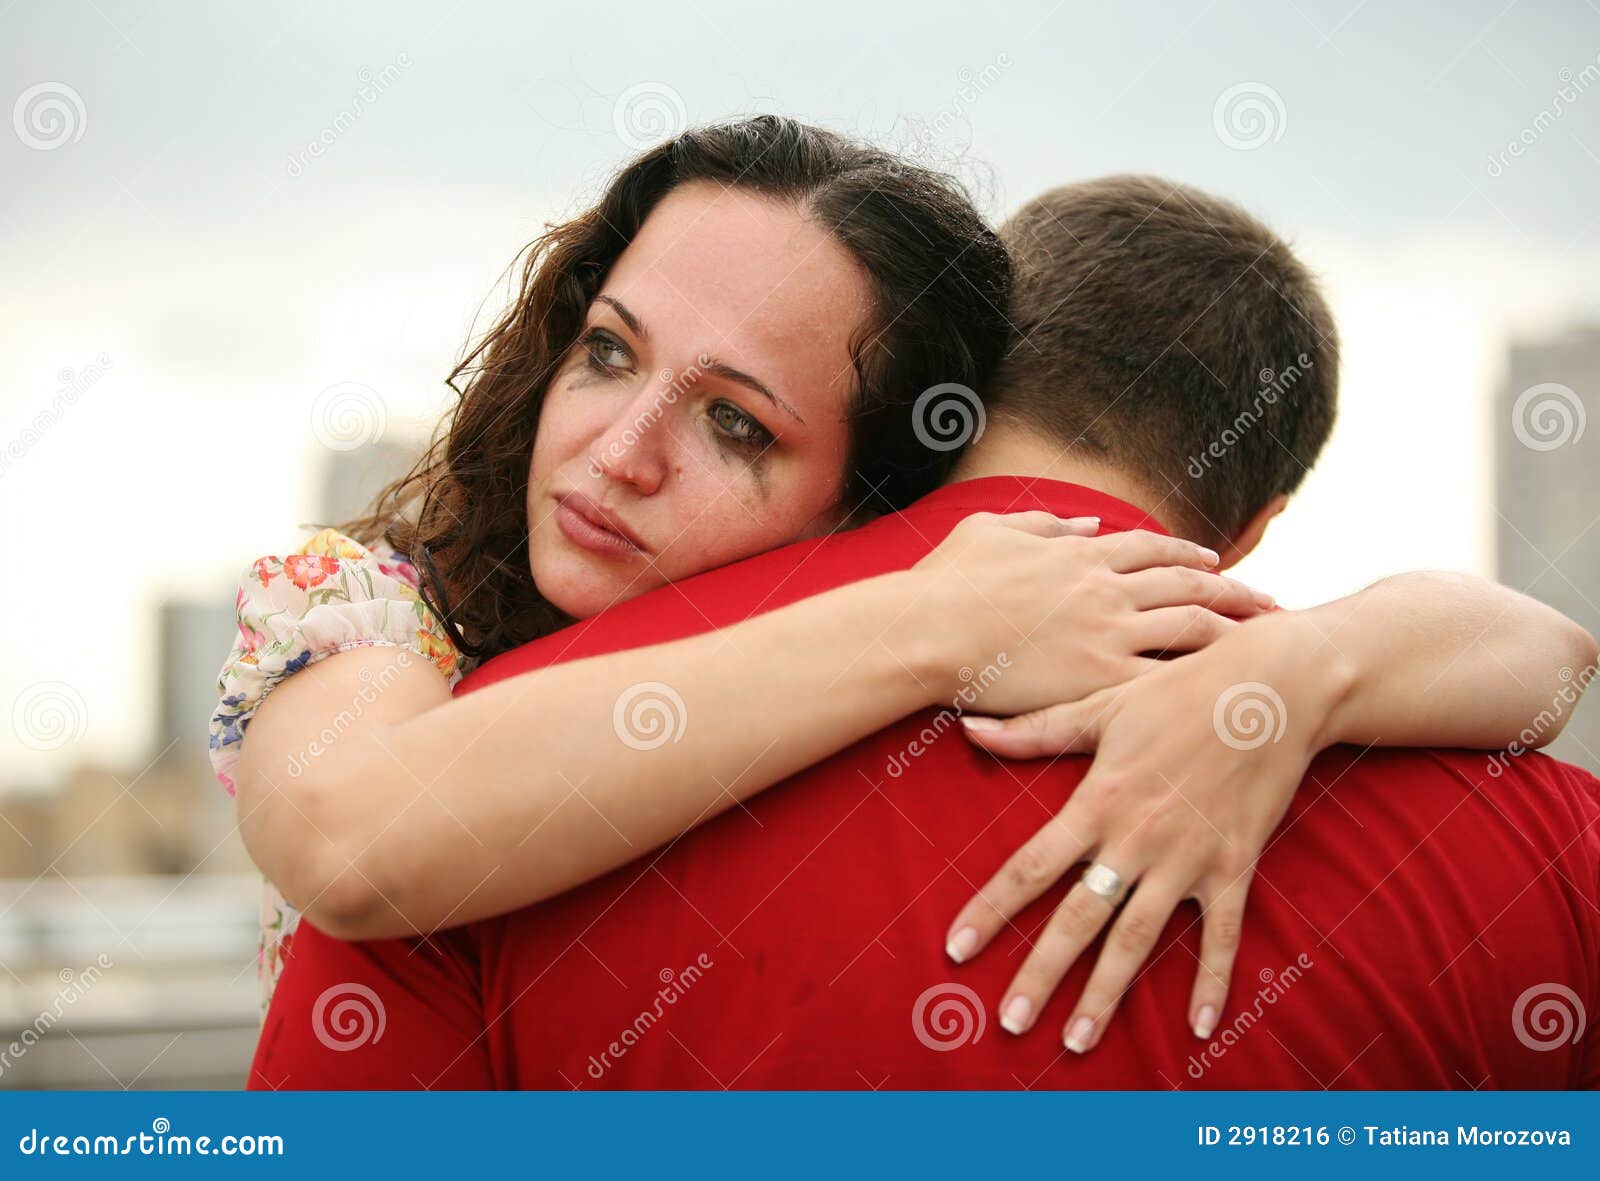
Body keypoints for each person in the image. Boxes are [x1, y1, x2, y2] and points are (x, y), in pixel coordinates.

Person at [244, 176, 1599, 1089]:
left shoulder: (486, 815)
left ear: (926, 416)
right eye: (610, 352)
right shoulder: (1543, 830)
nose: (627, 453)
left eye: (734, 417)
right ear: (1254, 520)